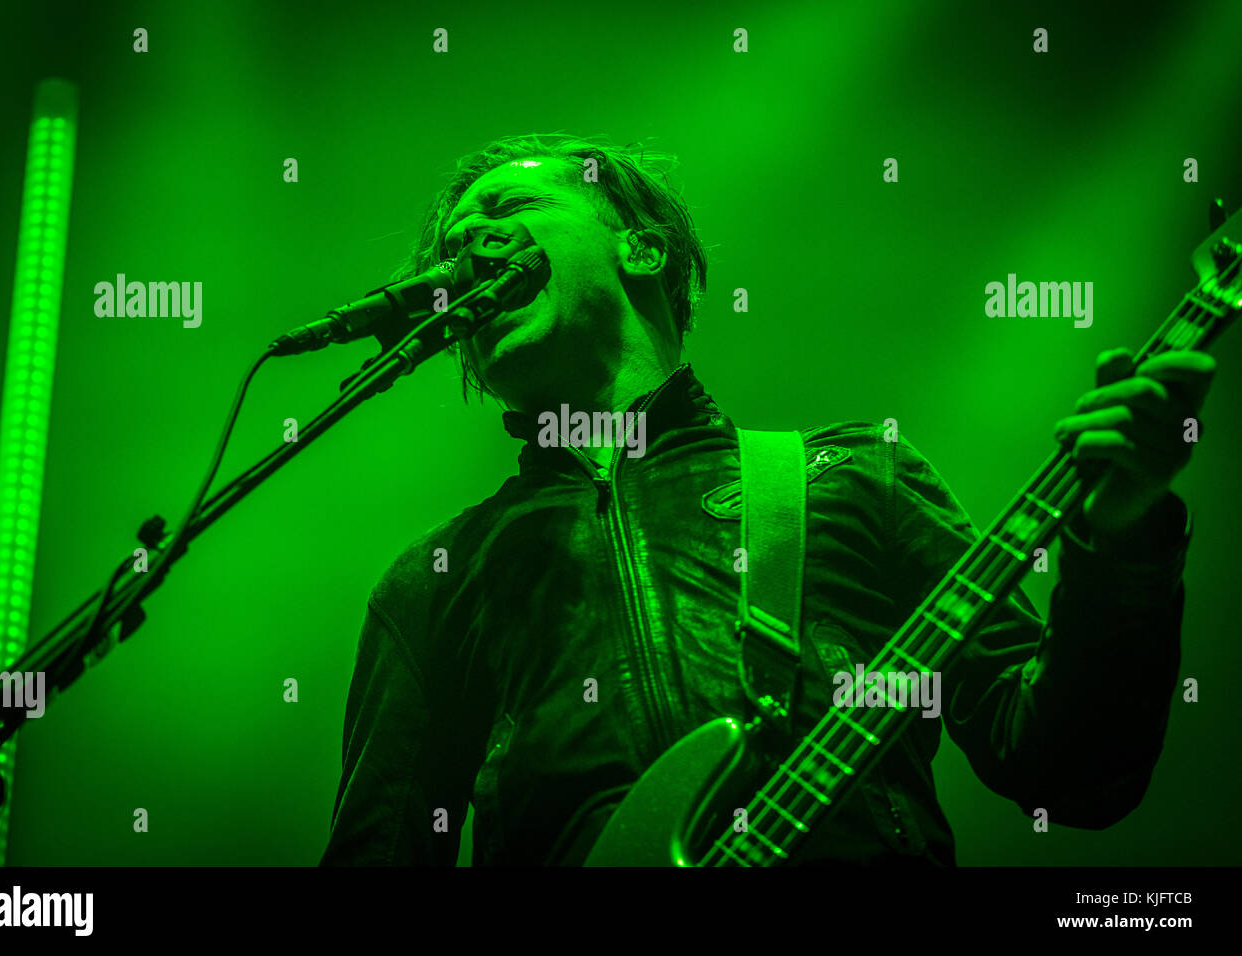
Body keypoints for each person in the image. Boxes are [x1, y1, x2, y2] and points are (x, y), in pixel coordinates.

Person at [319, 134, 1215, 866]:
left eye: (508, 212)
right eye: (449, 253)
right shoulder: (434, 581)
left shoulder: (857, 479)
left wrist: (1122, 539)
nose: (466, 253)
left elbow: (1076, 772)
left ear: (642, 246)